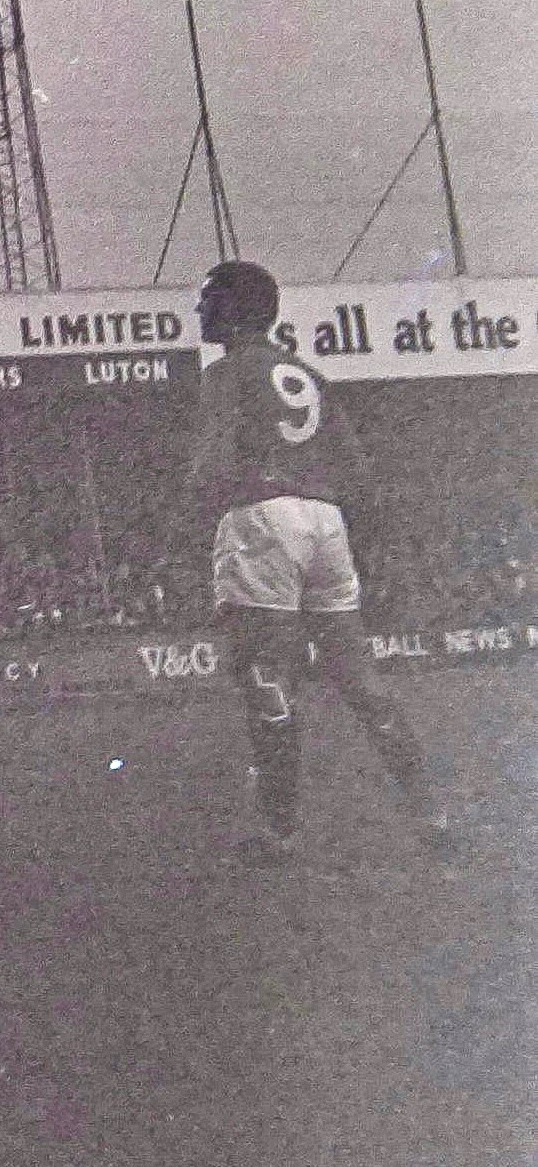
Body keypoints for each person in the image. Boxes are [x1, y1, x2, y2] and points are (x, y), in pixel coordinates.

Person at [189, 259, 441, 860]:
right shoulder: (306, 373)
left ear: (234, 308)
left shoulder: (226, 374)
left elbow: (208, 465)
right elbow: (355, 469)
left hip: (262, 518)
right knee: (360, 679)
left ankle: (278, 831)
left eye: (207, 300)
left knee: (266, 681)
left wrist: (208, 510)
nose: (199, 311)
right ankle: (431, 810)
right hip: (326, 522)